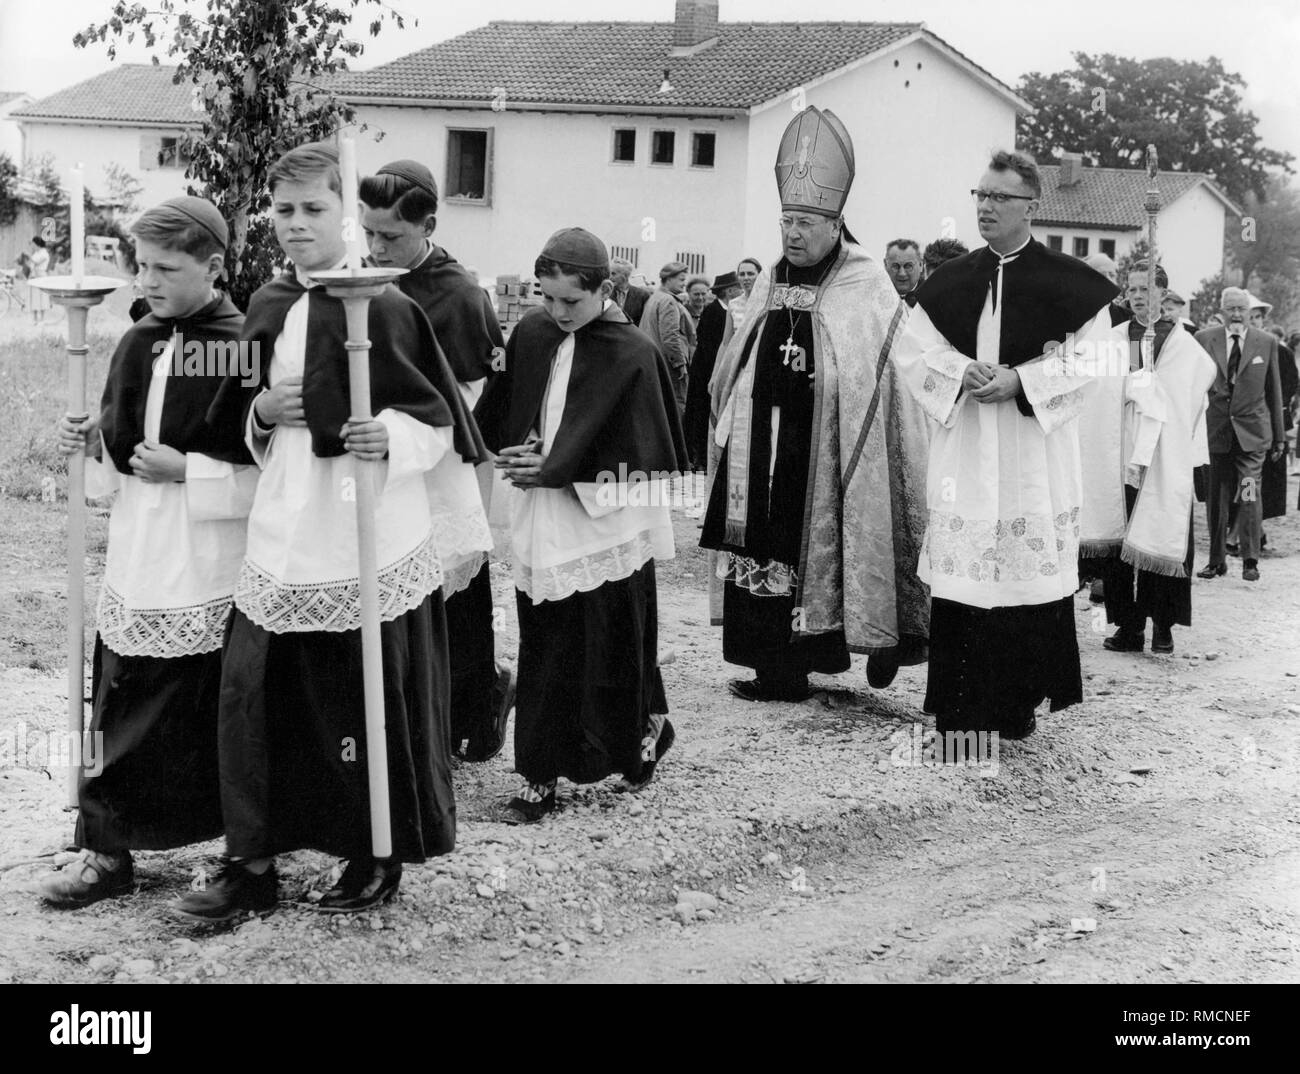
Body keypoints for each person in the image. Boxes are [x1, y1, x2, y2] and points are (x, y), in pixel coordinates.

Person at [175, 142, 485, 921]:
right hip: (284, 527)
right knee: (255, 691)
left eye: (313, 209)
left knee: (358, 696)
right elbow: (232, 418)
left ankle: (371, 848)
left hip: (361, 526)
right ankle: (252, 860)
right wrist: (256, 414)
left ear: (346, 212)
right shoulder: (269, 303)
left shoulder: (385, 305)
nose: (295, 225)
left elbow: (439, 421)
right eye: (282, 210)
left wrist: (391, 434)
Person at [41, 197, 255, 906]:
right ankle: (108, 849)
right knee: (120, 696)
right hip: (141, 552)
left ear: (215, 266)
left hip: (209, 555)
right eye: (142, 266)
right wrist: (93, 442)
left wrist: (191, 469)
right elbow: (118, 448)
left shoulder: (240, 343)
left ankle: (237, 853)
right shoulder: (139, 340)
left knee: (206, 710)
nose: (150, 281)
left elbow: (268, 469)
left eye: (167, 268)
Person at [701, 106, 930, 702]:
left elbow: (877, 376)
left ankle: (815, 655)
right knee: (758, 541)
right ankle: (767, 664)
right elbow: (735, 359)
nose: (793, 234)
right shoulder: (768, 277)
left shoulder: (864, 281)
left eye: (804, 222)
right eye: (786, 222)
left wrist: (821, 384)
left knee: (802, 543)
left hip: (821, 445)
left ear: (835, 224)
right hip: (759, 440)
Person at [897, 149, 1118, 743]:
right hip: (967, 450)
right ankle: (960, 712)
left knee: (1024, 583)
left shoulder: (1071, 284)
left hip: (1030, 456)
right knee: (967, 584)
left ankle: (1016, 706)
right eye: (981, 196)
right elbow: (913, 352)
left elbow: (1096, 358)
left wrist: (1022, 380)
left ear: (1031, 206)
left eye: (1000, 198)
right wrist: (961, 371)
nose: (986, 207)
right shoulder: (949, 281)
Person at [475, 227, 688, 822]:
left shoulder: (634, 353)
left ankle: (643, 736)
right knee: (545, 645)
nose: (556, 312)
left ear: (602, 290)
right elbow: (511, 414)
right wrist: (519, 455)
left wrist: (563, 469)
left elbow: (646, 462)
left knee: (617, 646)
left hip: (608, 525)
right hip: (545, 519)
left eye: (570, 301)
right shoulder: (535, 332)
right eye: (547, 298)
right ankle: (538, 776)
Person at [359, 158, 513, 763]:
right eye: (367, 232)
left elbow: (476, 394)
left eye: (390, 236)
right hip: (376, 463)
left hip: (443, 463)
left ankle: (476, 707)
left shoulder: (461, 295)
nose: (375, 248)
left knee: (456, 597)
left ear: (428, 226)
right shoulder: (359, 278)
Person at [1078, 262, 1215, 656]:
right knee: (1122, 540)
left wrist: (1153, 389)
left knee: (1163, 531)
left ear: (1163, 293)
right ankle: (1129, 625)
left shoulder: (1180, 341)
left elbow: (1196, 386)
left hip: (1162, 452)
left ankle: (1164, 625)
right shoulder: (1116, 338)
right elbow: (1098, 387)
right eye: (1132, 289)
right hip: (1122, 447)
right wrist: (1128, 387)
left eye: (1145, 289)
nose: (1137, 296)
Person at [1195, 288, 1285, 582]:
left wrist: (1279, 437)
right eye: (1230, 308)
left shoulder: (1266, 342)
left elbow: (1274, 391)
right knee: (1216, 500)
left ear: (1249, 312)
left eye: (1241, 309)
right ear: (1221, 311)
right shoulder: (1205, 339)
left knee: (1248, 493)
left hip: (1251, 435)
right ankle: (1216, 560)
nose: (1236, 314)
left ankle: (1249, 559)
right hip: (1216, 434)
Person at [683, 271, 737, 471]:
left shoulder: (724, 310)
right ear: (729, 291)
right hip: (705, 370)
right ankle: (699, 458)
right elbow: (710, 345)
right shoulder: (714, 311)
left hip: (711, 367)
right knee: (701, 413)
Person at [639, 261, 692, 416]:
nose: (684, 284)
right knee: (675, 408)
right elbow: (670, 336)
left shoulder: (655, 297)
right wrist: (680, 363)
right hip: (668, 365)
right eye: (681, 280)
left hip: (654, 362)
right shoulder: (668, 301)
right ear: (669, 279)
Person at [609, 257, 651, 325]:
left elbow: (645, 323)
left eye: (613, 274)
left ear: (625, 275)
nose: (610, 277)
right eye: (609, 273)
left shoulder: (642, 296)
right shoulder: (606, 294)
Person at [884, 238, 924, 305]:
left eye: (908, 266)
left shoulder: (931, 296)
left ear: (921, 265)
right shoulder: (874, 296)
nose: (902, 273)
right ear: (885, 265)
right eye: (895, 266)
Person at [29, 236, 51, 324]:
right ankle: (35, 318)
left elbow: (36, 262)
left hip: (41, 276)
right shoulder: (36, 253)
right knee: (34, 297)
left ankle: (42, 319)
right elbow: (31, 264)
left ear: (36, 244)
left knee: (42, 297)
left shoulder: (44, 253)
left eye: (33, 244)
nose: (32, 246)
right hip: (34, 276)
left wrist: (27, 258)